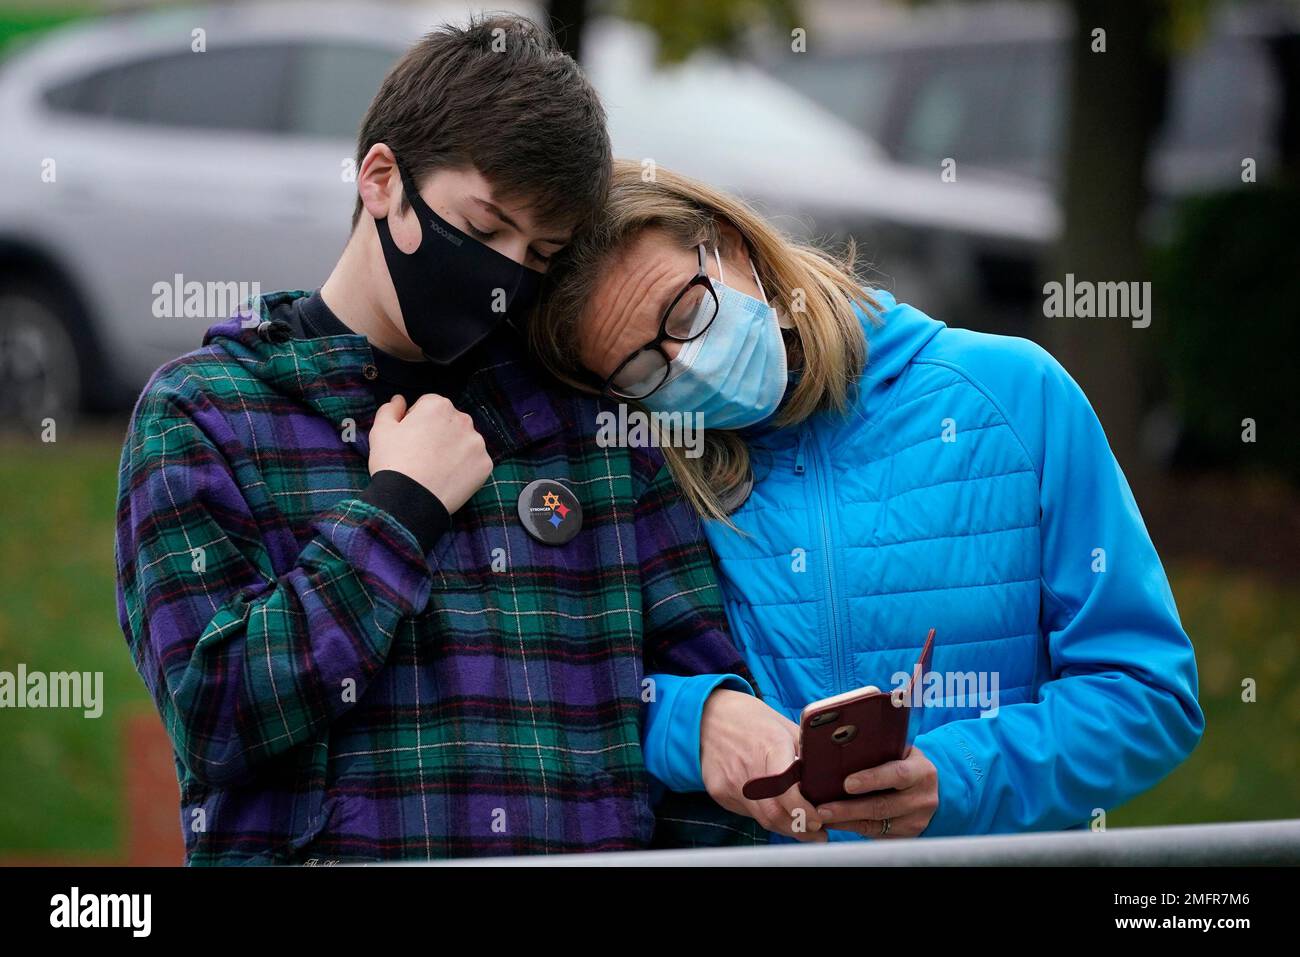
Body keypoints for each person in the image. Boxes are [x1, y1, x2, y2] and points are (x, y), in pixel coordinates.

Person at [114, 17, 757, 864]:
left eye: (540, 251)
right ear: (382, 179)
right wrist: (396, 514)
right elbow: (216, 716)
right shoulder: (208, 416)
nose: (505, 275)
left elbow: (703, 722)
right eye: (485, 229)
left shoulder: (586, 421)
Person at [534, 161, 1206, 841]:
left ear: (733, 245)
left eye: (687, 311)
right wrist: (694, 723)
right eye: (644, 368)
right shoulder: (645, 472)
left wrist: (959, 778)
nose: (689, 363)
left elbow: (1148, 692)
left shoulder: (1013, 392)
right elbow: (563, 695)